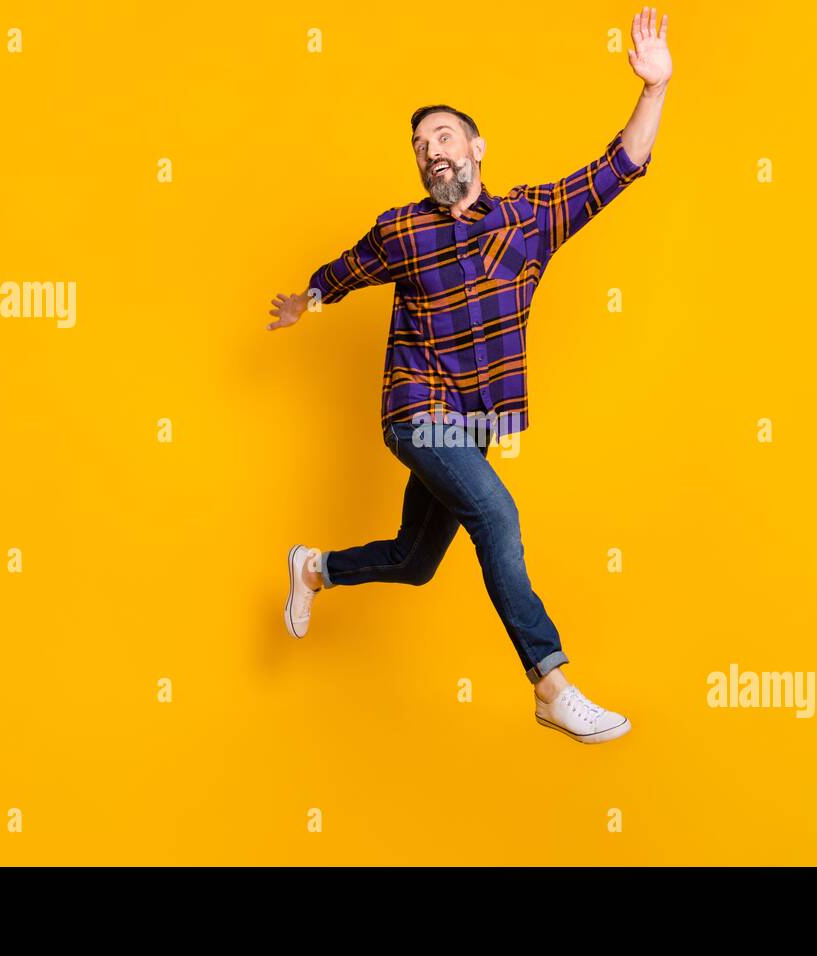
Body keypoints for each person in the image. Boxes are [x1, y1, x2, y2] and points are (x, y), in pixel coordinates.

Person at [268, 8, 671, 743]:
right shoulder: (403, 230)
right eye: (421, 146)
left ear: (478, 147)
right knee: (498, 515)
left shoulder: (528, 220)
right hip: (415, 410)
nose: (431, 152)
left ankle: (315, 568)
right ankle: (550, 682)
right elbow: (346, 270)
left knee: (416, 560)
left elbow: (619, 169)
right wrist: (307, 300)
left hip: (478, 424)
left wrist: (655, 89)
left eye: (444, 137)